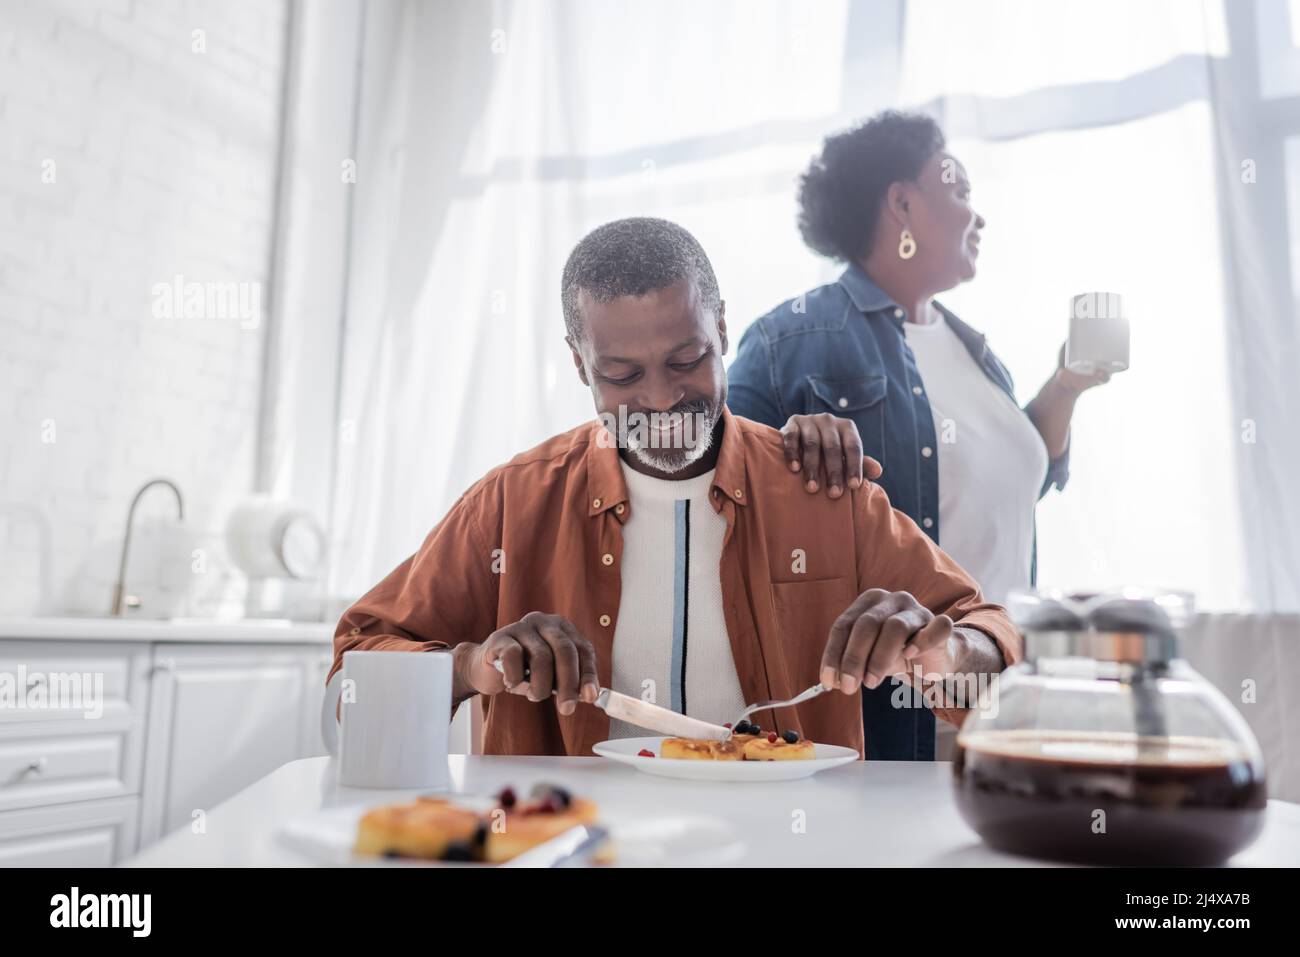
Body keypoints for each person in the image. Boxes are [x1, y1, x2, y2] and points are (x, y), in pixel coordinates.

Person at [330, 217, 1018, 758]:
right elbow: (350, 685)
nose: (661, 401)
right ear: (579, 363)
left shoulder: (823, 491)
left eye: (686, 360)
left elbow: (997, 670)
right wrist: (474, 665)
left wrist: (947, 652)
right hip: (574, 841)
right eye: (623, 375)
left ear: (722, 328)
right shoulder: (511, 506)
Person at [727, 111, 1112, 759]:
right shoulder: (787, 341)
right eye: (959, 192)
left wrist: (1066, 384)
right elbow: (716, 492)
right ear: (902, 202)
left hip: (1002, 704)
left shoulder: (977, 351)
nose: (977, 217)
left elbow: (1007, 490)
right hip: (890, 726)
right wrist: (784, 442)